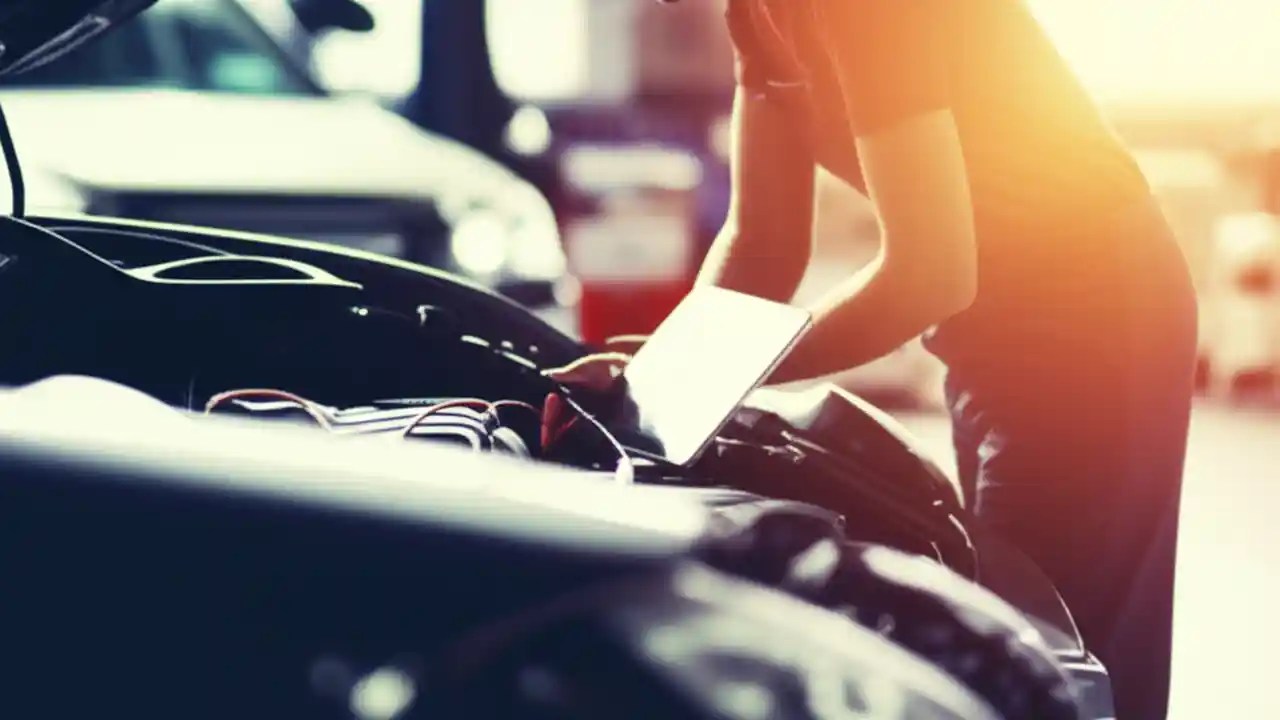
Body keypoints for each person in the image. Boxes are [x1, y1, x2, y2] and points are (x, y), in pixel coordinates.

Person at [548, 2, 1196, 717]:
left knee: (1055, 657)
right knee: (1012, 620)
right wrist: (659, 378)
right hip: (986, 331)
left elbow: (929, 274)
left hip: (1095, 311)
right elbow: (764, 239)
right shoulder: (757, 15)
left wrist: (718, 375)